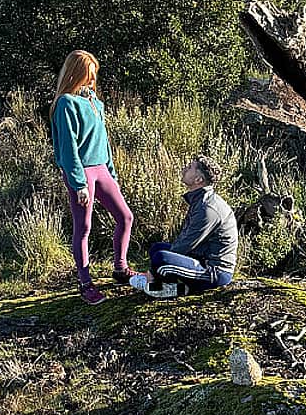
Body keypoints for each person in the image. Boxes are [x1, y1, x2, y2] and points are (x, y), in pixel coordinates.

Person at [50, 50, 135, 305]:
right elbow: (68, 148)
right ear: (76, 73)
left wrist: (112, 173)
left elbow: (103, 141)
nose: (92, 78)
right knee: (84, 227)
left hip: (102, 170)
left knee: (125, 217)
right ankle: (85, 282)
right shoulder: (66, 103)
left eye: (94, 74)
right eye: (89, 73)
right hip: (82, 172)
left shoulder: (96, 103)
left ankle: (120, 268)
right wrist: (79, 184)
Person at [132, 156, 238, 297]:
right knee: (157, 248)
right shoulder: (200, 200)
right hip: (200, 258)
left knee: (161, 258)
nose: (184, 169)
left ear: (198, 180)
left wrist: (152, 272)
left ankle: (167, 287)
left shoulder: (208, 208)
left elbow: (186, 244)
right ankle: (172, 286)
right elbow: (184, 240)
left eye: (189, 168)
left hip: (214, 271)